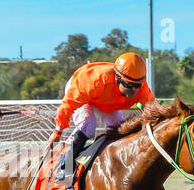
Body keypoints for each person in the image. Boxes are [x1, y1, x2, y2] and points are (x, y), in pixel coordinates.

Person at [49, 52, 155, 181]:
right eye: (129, 85)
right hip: (83, 92)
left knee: (120, 130)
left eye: (137, 85)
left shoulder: (142, 90)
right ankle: (65, 166)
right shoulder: (94, 82)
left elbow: (153, 111)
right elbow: (68, 105)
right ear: (117, 78)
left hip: (108, 102)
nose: (134, 90)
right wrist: (58, 131)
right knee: (88, 125)